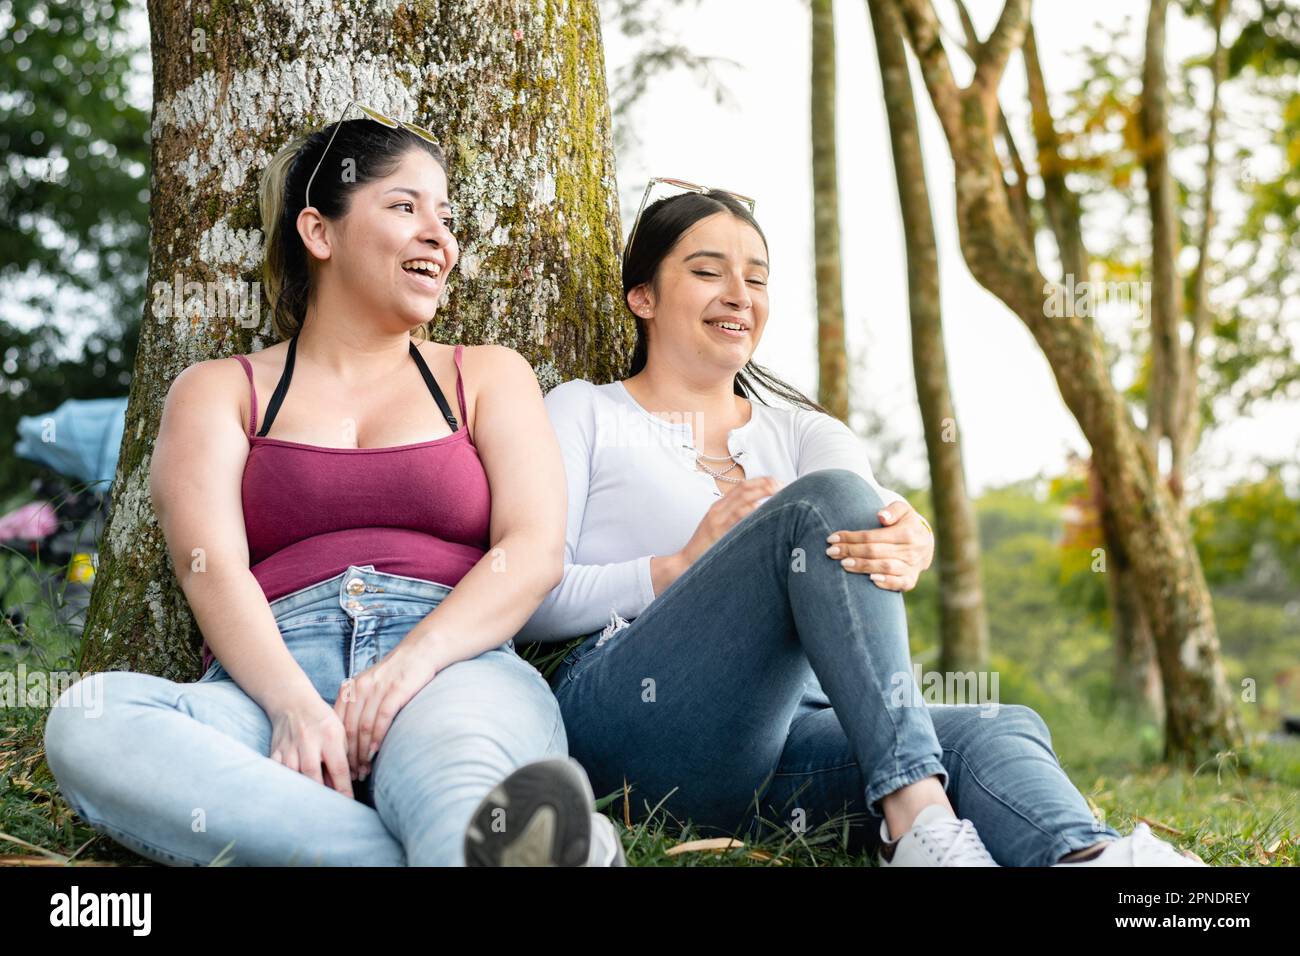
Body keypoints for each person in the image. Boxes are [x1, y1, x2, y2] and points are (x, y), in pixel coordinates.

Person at [515, 181, 1207, 867]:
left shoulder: (804, 432)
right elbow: (532, 598)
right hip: (635, 725)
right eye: (706, 271)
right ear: (643, 297)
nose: (738, 295)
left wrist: (913, 537)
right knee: (813, 512)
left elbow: (865, 512)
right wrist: (678, 566)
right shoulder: (586, 411)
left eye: (756, 278)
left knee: (998, 726)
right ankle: (918, 825)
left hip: (780, 755)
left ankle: (1087, 858)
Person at [42, 102, 622, 867]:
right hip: (267, 676)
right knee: (89, 720)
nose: (439, 238)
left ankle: (457, 832)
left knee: (456, 781)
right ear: (319, 232)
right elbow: (206, 567)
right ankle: (474, 850)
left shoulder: (484, 375)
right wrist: (291, 708)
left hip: (451, 667)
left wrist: (409, 666)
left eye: (446, 218)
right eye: (405, 207)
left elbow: (534, 549)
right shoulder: (220, 390)